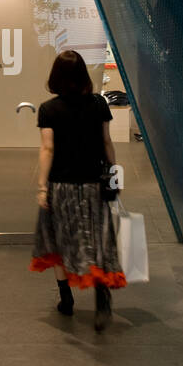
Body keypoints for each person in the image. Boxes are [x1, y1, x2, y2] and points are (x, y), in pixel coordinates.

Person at [30, 50, 125, 331]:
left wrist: (41, 186)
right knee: (96, 240)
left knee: (57, 241)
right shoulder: (98, 104)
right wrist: (113, 173)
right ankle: (101, 297)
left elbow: (48, 148)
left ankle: (66, 299)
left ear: (55, 77)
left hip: (61, 187)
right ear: (83, 74)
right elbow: (107, 142)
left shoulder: (48, 109)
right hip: (94, 183)